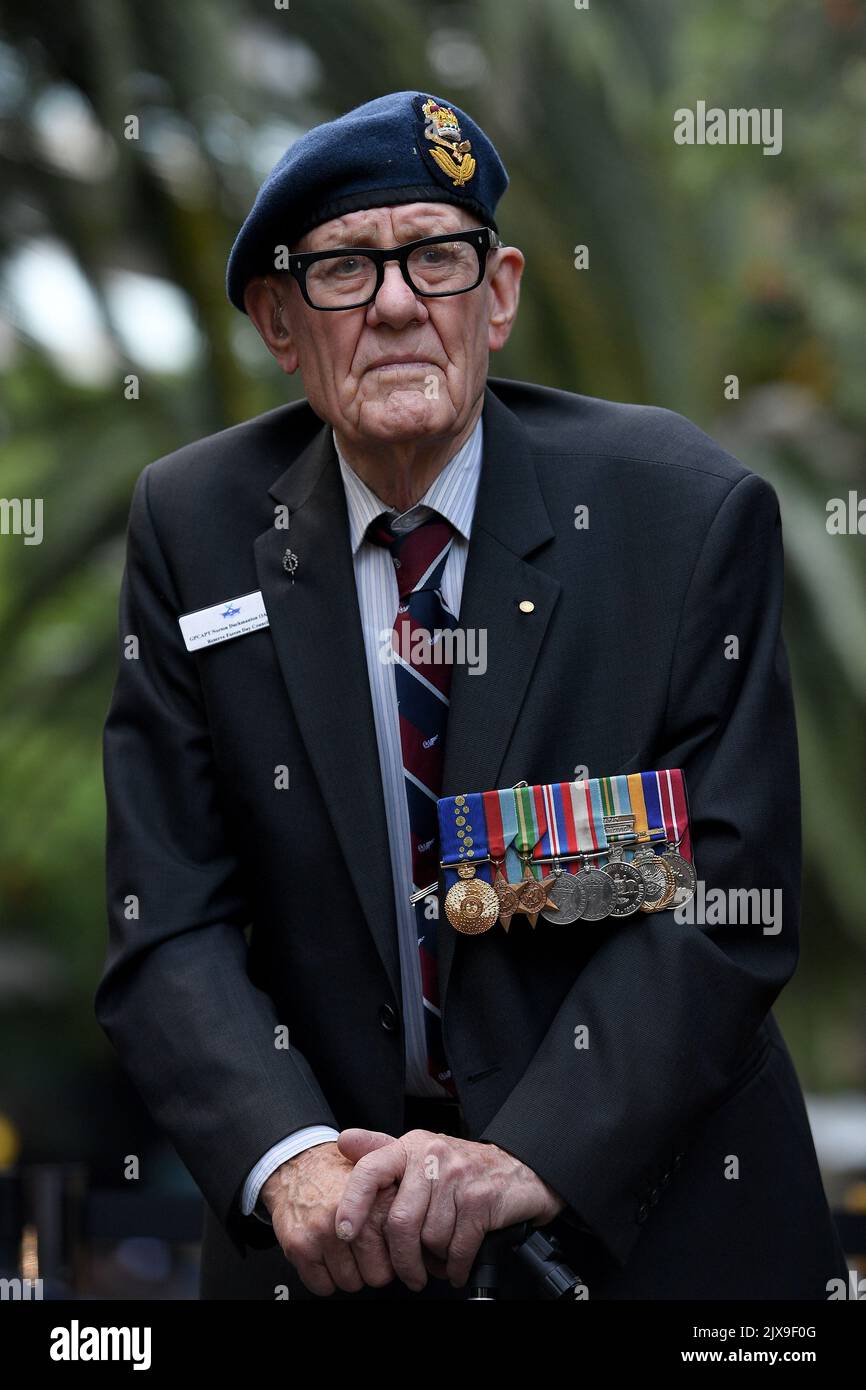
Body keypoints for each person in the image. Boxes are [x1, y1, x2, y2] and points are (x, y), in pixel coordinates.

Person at [95, 90, 849, 1300]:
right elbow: (168, 915)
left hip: (656, 1219)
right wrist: (288, 1166)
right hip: (333, 1240)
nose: (395, 304)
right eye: (344, 268)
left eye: (433, 258)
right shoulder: (193, 530)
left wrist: (524, 1152)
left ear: (495, 296)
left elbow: (725, 890)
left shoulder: (681, 515)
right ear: (280, 326)